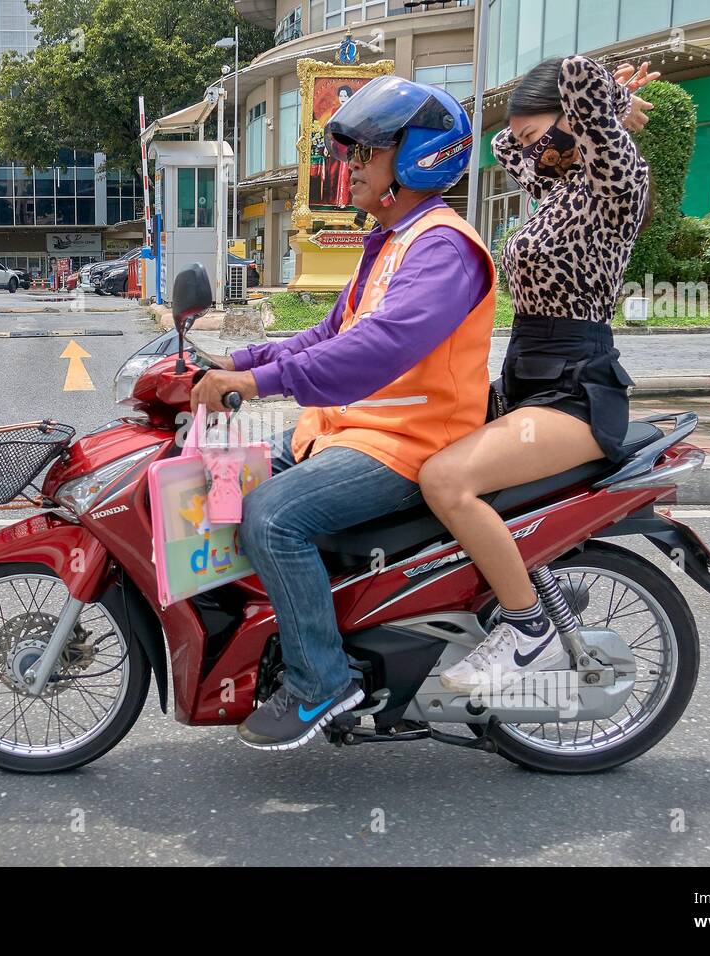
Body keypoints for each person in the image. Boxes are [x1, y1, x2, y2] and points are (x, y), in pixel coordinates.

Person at [190, 76, 495, 750]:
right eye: (350, 153)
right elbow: (324, 337)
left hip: (412, 444)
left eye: (366, 152)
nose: (350, 166)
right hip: (354, 434)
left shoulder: (441, 248)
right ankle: (286, 628)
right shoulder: (391, 242)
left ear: (418, 157)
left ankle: (320, 680)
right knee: (221, 481)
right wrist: (236, 361)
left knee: (272, 516)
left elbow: (370, 355)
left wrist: (259, 384)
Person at [416, 55, 658, 694]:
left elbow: (577, 72)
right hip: (523, 377)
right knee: (412, 448)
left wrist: (603, 105)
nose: (527, 150)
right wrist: (554, 130)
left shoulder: (616, 184)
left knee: (446, 481)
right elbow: (500, 140)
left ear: (577, 122)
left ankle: (529, 633)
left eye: (538, 136)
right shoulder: (559, 185)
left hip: (575, 390)